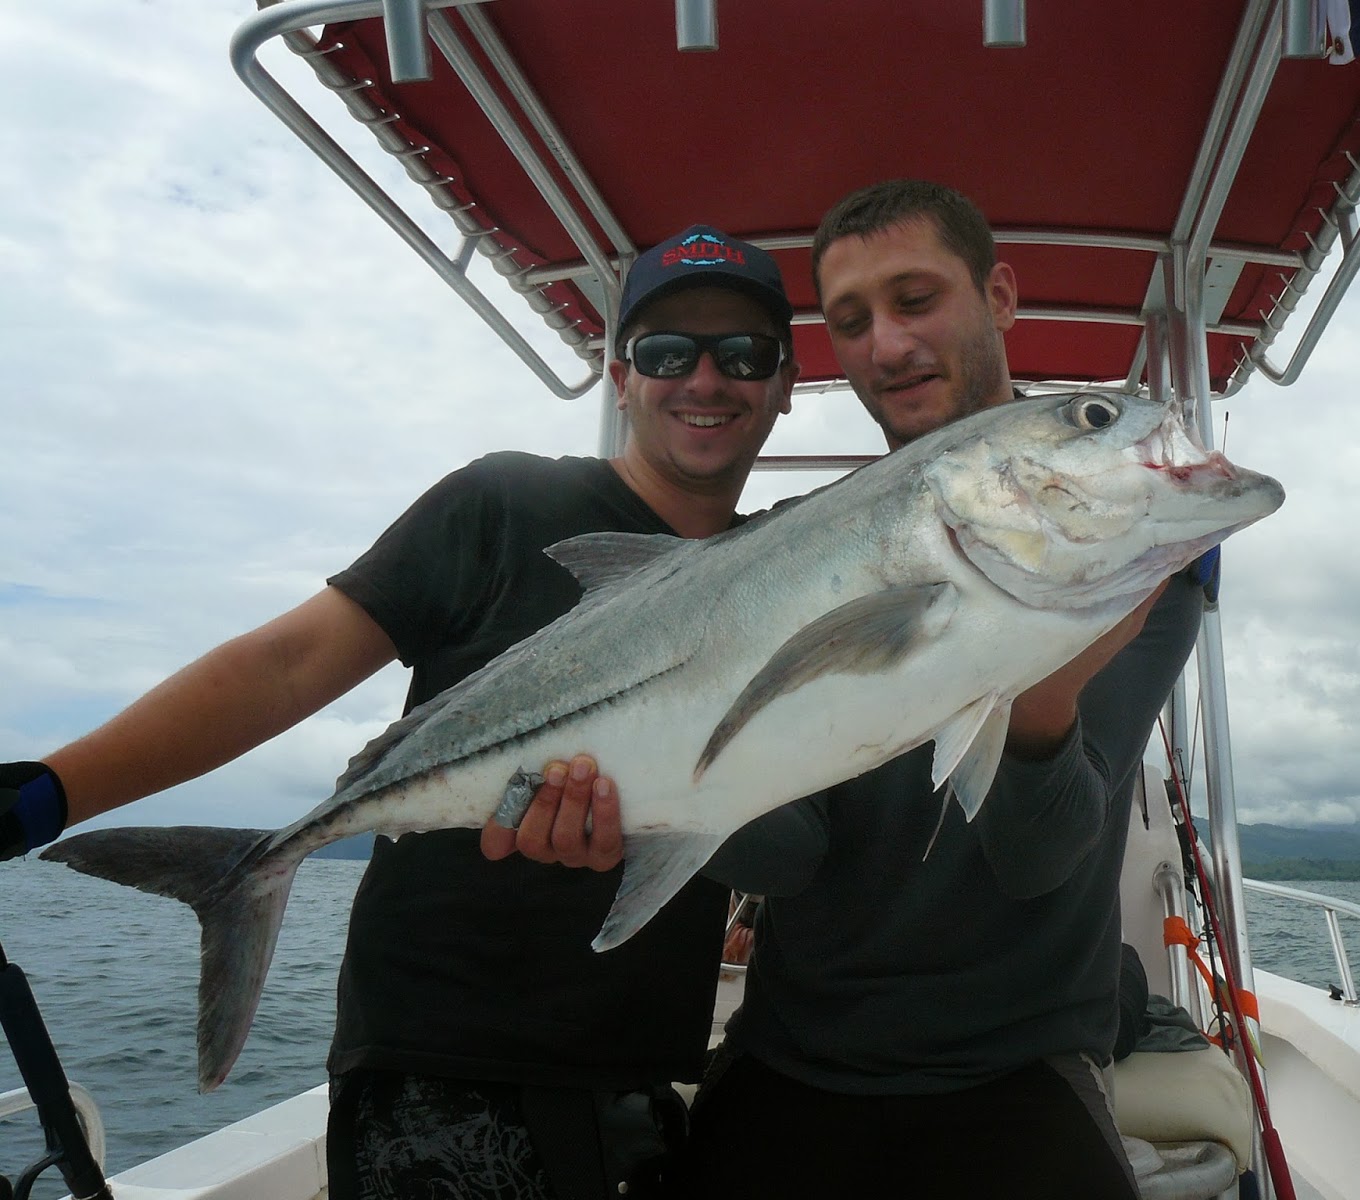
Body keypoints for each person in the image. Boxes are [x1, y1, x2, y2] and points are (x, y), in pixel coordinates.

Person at [0, 224, 799, 1199]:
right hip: (440, 1073)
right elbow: (287, 664)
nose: (705, 380)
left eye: (743, 352)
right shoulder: (501, 506)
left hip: (637, 1080)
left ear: (785, 382)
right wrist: (50, 793)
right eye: (668, 351)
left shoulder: (798, 574)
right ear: (621, 374)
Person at [500, 181, 1205, 1197]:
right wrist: (642, 806)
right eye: (850, 322)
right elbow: (791, 859)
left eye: (915, 299)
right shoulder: (775, 557)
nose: (885, 344)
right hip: (795, 1056)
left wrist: (1041, 687)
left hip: (1019, 1066)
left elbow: (1039, 852)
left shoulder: (1137, 556)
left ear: (998, 295)